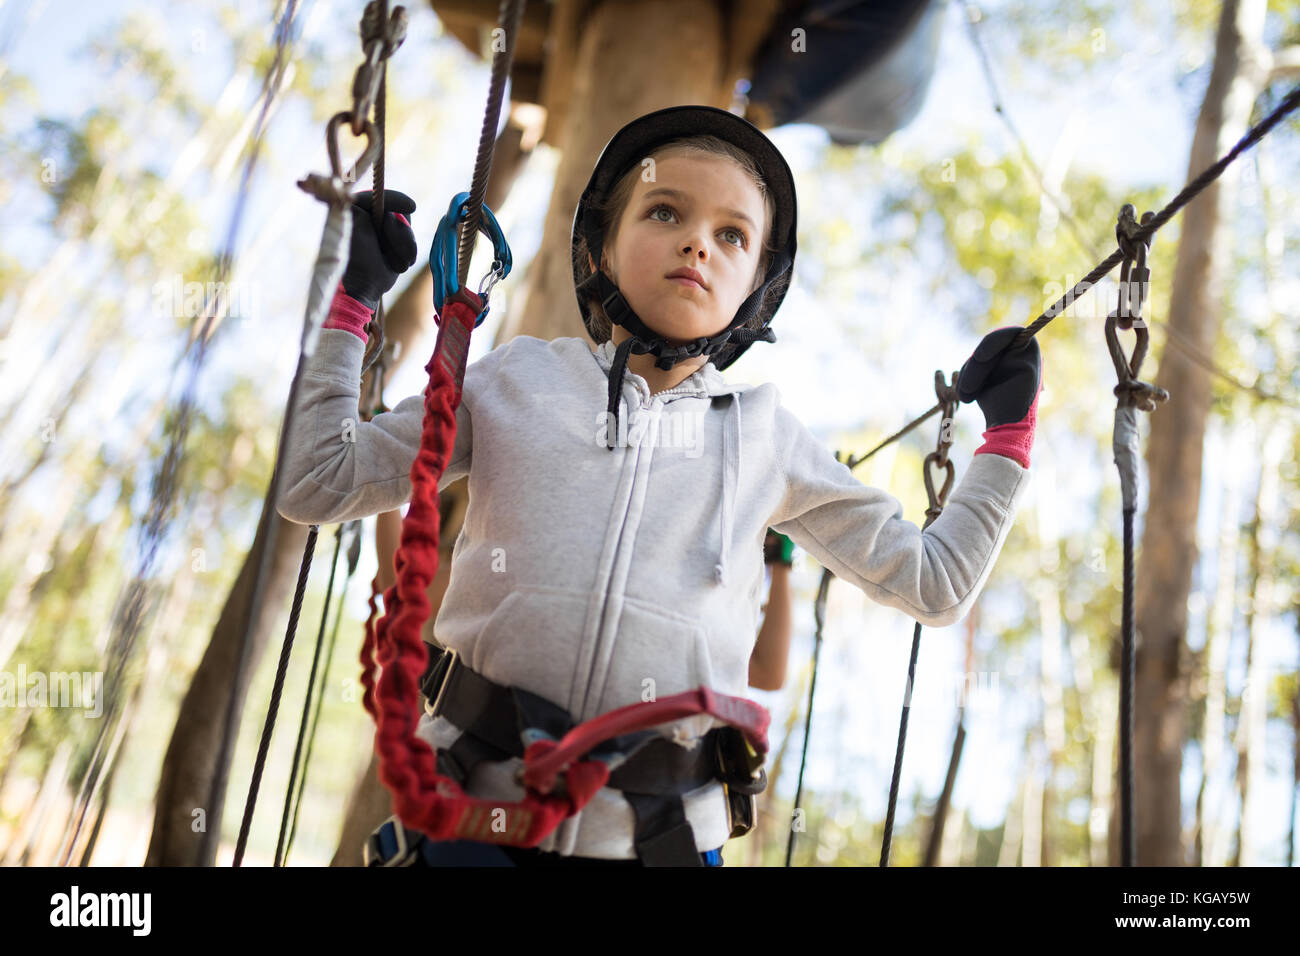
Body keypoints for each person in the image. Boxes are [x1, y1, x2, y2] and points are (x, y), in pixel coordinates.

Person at [276, 105, 1040, 867]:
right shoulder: (515, 381)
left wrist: (1006, 442)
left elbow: (934, 586)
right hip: (474, 818)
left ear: (756, 290)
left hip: (657, 843)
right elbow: (318, 482)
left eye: (732, 235)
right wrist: (351, 304)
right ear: (601, 253)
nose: (696, 243)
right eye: (665, 210)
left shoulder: (769, 437)